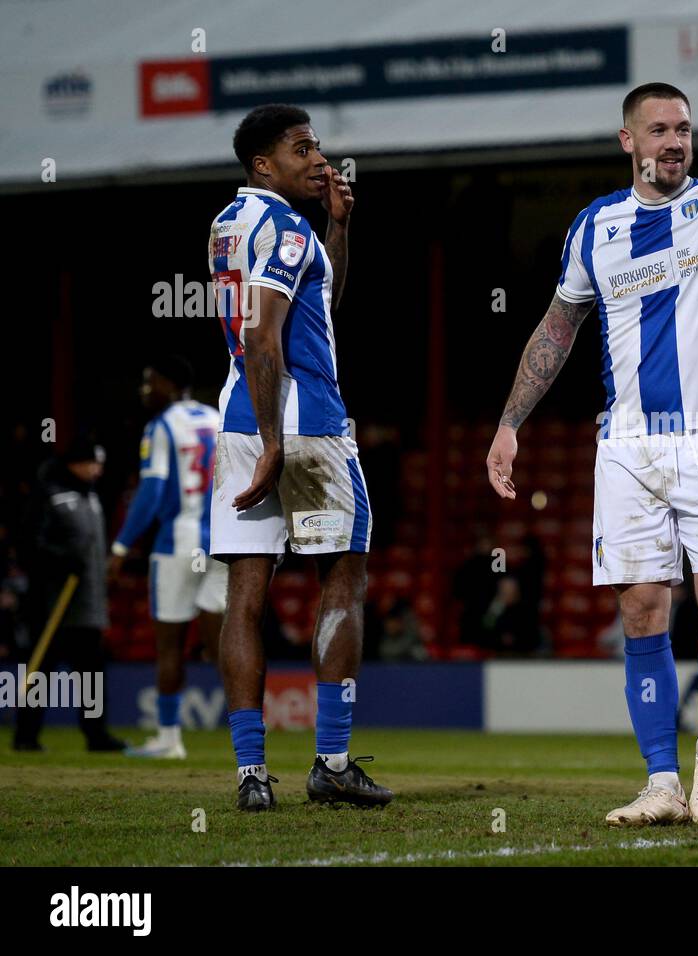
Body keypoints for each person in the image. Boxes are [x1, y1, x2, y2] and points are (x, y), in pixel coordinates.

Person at [486, 51, 698, 826]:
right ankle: (660, 781)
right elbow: (556, 327)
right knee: (643, 610)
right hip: (629, 448)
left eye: (684, 128)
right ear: (628, 140)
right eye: (660, 129)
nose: (675, 141)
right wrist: (510, 422)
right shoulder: (593, 227)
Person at [206, 103, 391, 811]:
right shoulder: (282, 228)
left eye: (319, 146)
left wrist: (337, 229)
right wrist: (278, 442)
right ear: (263, 163)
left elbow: (319, 306)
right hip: (303, 422)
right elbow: (263, 336)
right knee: (343, 577)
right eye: (302, 148)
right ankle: (334, 763)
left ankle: (252, 776)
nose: (320, 159)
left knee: (245, 596)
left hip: (237, 418)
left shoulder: (230, 224)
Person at [109, 357, 226, 759]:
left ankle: (169, 739)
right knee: (225, 646)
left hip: (178, 542)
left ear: (170, 384)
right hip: (221, 542)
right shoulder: (216, 417)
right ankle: (248, 737)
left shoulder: (160, 427)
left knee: (170, 646)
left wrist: (121, 546)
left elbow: (152, 492)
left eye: (150, 380)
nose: (145, 388)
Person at [14, 438, 124, 752]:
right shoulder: (47, 494)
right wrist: (60, 559)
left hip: (86, 604)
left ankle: (96, 736)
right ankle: (26, 736)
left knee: (91, 676)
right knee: (40, 673)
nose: (98, 471)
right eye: (93, 463)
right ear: (74, 464)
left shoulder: (91, 496)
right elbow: (29, 545)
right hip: (52, 605)